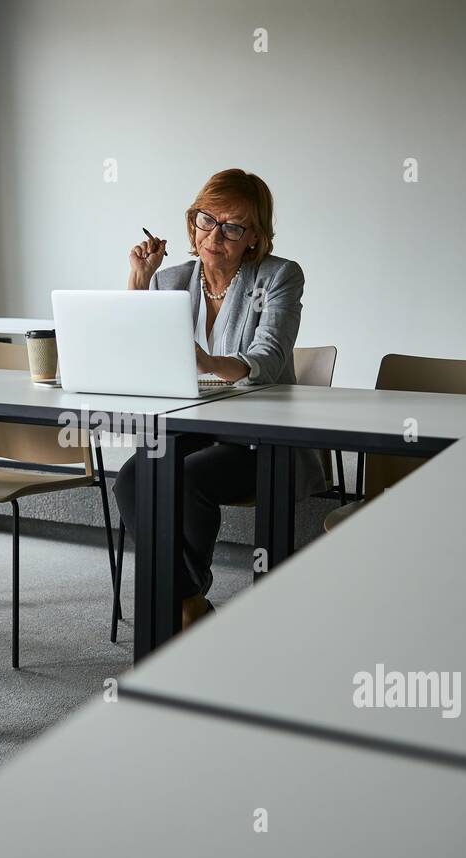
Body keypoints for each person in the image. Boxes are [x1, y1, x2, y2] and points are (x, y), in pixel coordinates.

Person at [113, 168, 324, 628]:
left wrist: (207, 362)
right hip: (190, 427)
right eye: (207, 220)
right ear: (193, 222)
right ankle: (190, 603)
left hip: (261, 440)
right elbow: (135, 352)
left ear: (255, 236)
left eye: (233, 226)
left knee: (184, 479)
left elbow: (266, 358)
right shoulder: (170, 279)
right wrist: (137, 280)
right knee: (132, 479)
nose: (216, 235)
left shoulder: (279, 276)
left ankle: (180, 603)